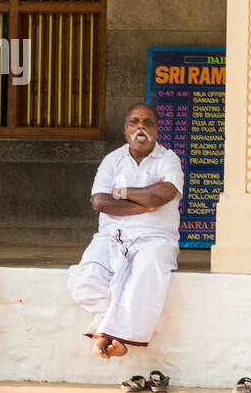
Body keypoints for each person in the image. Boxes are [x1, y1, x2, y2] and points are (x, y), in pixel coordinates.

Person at [67, 104, 183, 358]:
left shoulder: (169, 159)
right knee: (83, 281)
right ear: (125, 130)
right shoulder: (113, 160)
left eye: (147, 122)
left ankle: (111, 336)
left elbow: (164, 194)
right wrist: (147, 203)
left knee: (143, 280)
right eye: (134, 122)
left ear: (156, 129)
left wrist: (122, 193)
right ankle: (110, 326)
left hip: (155, 239)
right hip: (112, 236)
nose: (141, 126)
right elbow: (99, 202)